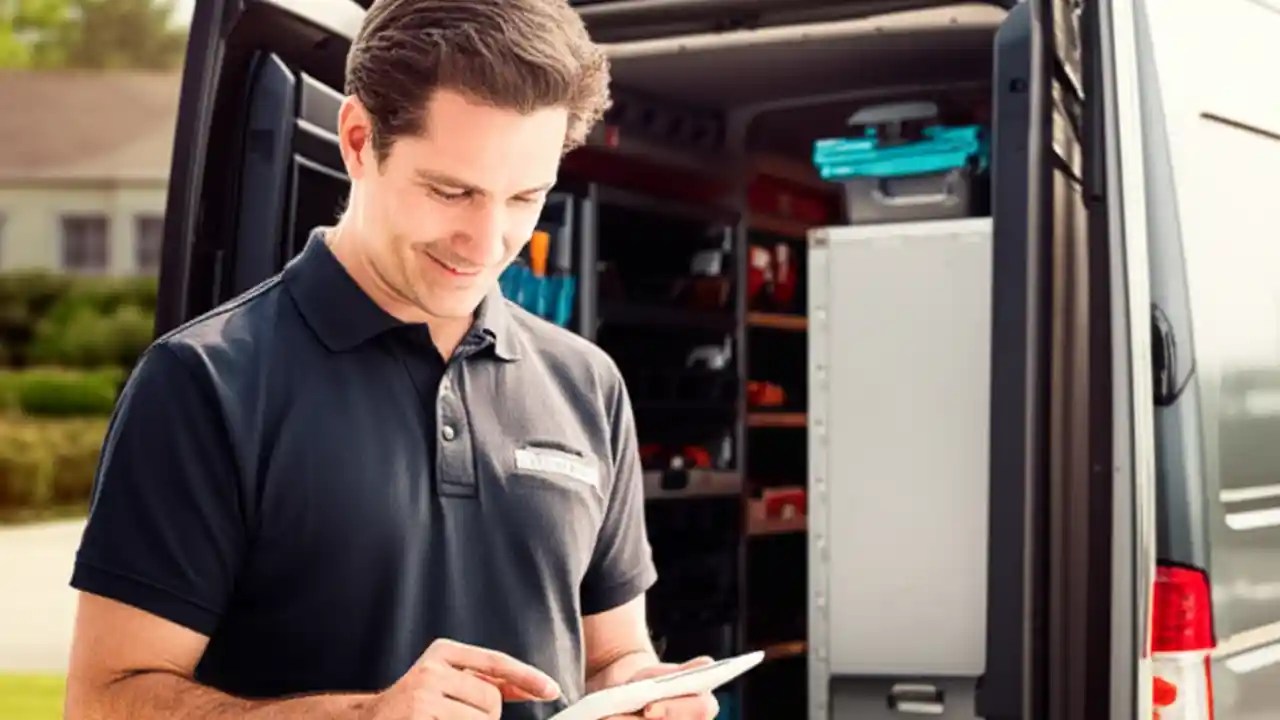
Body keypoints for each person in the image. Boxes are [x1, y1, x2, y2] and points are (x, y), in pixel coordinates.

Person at [62, 1, 719, 719]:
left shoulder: (588, 384)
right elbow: (104, 701)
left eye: (524, 198)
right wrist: (363, 717)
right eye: (450, 191)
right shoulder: (204, 382)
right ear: (357, 139)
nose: (486, 240)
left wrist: (645, 690)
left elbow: (612, 652)